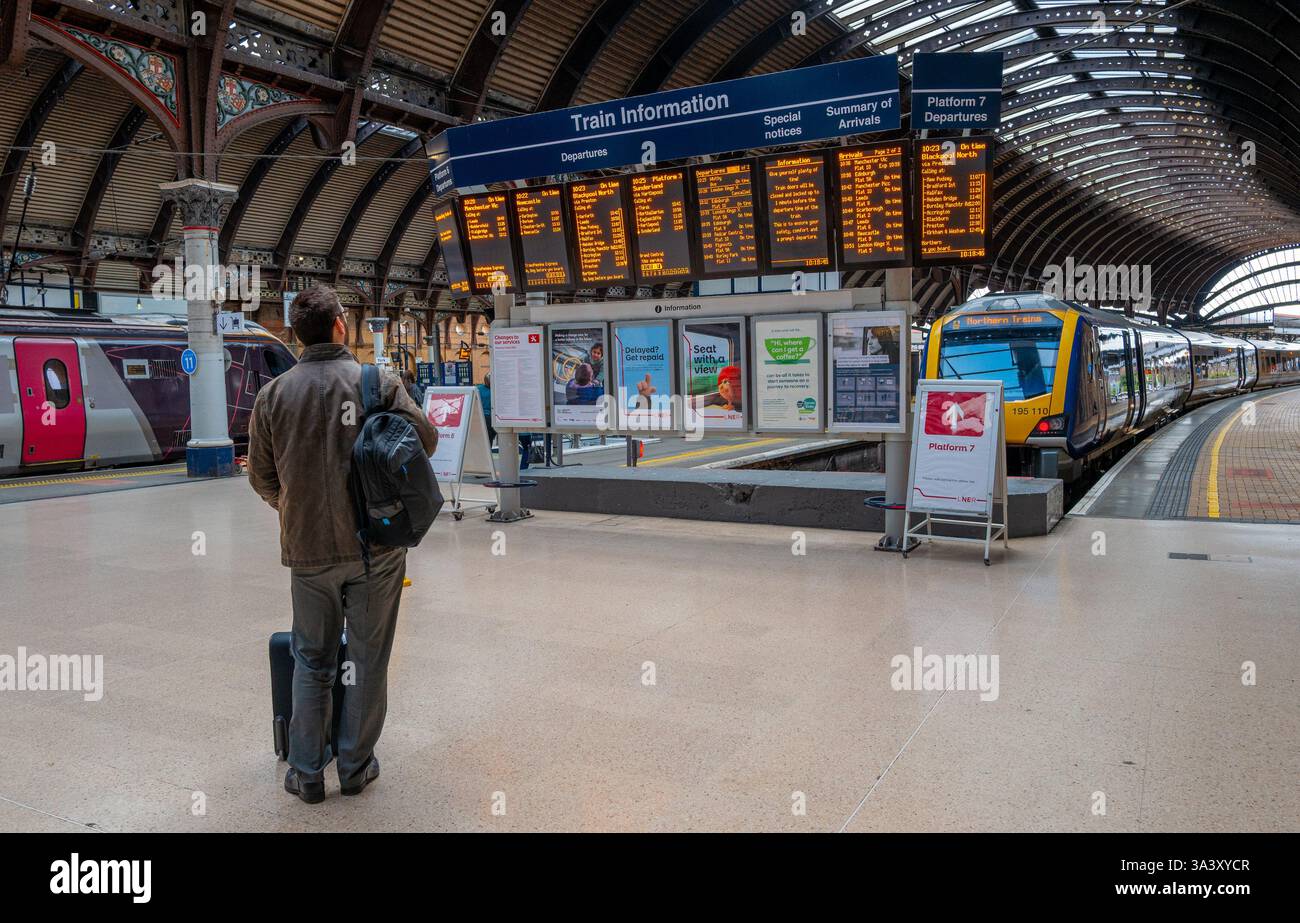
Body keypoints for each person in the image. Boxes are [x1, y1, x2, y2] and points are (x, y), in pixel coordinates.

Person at [247, 285, 438, 804]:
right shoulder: (377, 381)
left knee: (313, 658)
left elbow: (262, 477)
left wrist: (292, 510)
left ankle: (307, 771)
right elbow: (425, 440)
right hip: (375, 548)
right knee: (368, 657)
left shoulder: (273, 395)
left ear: (295, 335)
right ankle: (354, 766)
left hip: (307, 550)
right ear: (340, 326)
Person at [476, 372, 495, 447]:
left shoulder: (478, 388)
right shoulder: (495, 390)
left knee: (482, 439)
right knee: (489, 438)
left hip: (479, 417)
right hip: (490, 417)